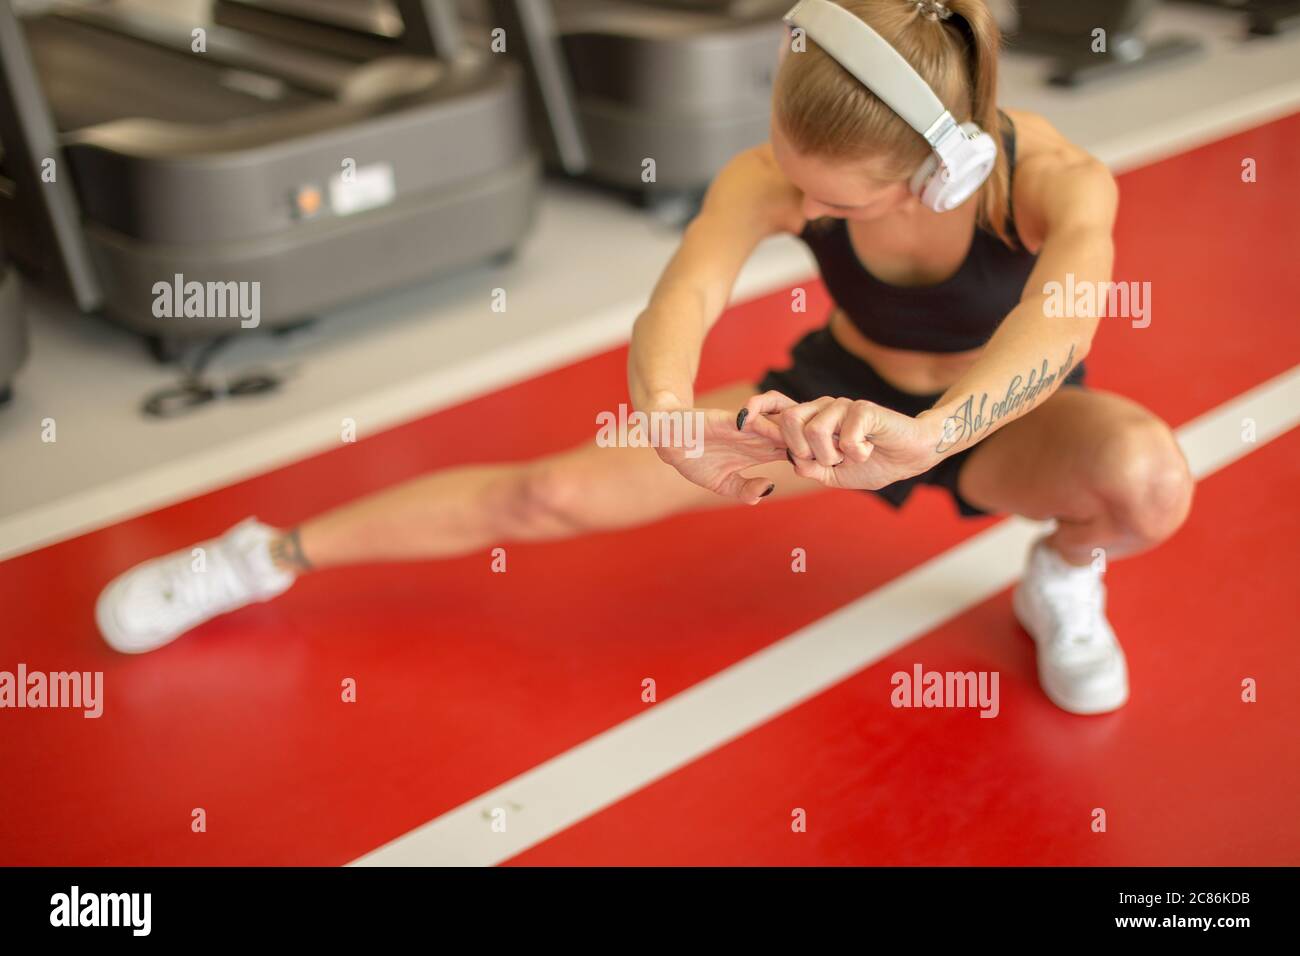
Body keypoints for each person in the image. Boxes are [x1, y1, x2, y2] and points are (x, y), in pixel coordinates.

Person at [95, 0, 1193, 715]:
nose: (799, 203)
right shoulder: (773, 170)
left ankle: (1061, 577)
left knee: (1147, 481)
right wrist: (668, 415)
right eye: (794, 175)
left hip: (989, 420)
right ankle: (261, 554)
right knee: (547, 491)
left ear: (939, 172)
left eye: (832, 198)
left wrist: (930, 436)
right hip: (827, 400)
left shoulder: (1051, 180)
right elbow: (688, 294)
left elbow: (1063, 326)